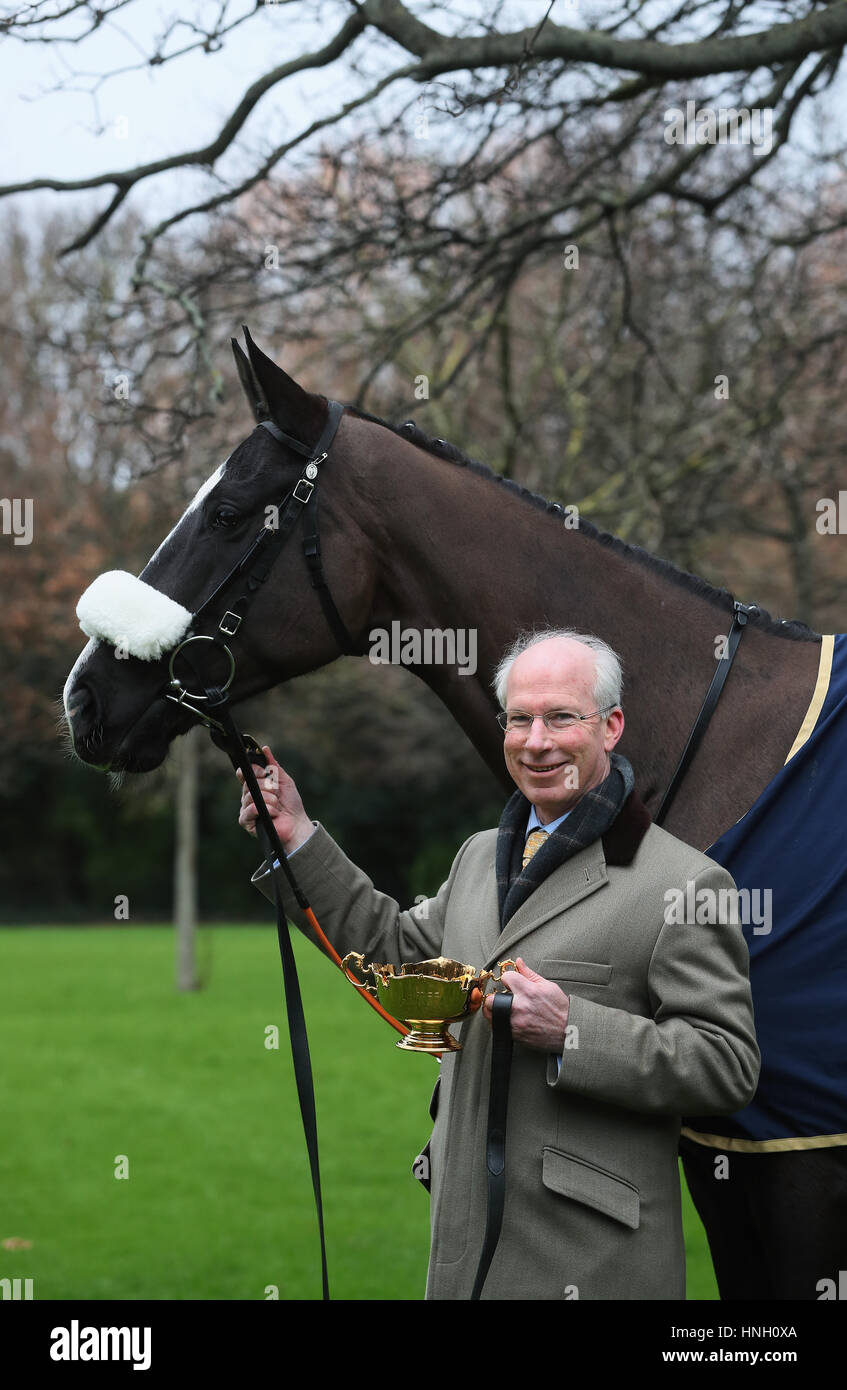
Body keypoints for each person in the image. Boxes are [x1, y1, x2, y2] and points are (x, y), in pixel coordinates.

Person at [237, 628, 760, 1300]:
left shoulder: (684, 884)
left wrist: (572, 1029)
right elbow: (398, 960)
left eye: (561, 717)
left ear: (611, 726)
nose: (536, 740)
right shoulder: (480, 857)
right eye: (520, 718)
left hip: (589, 1265)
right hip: (461, 1246)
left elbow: (727, 1065)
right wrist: (297, 840)